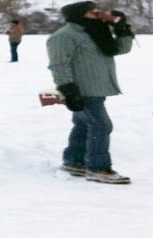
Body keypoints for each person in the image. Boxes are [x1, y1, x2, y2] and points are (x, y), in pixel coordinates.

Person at [47, 1, 134, 184]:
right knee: (101, 125)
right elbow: (58, 65)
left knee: (84, 125)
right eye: (93, 12)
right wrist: (69, 91)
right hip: (81, 90)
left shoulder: (96, 31)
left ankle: (73, 161)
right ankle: (98, 168)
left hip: (97, 87)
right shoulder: (64, 36)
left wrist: (122, 28)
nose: (99, 14)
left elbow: (121, 49)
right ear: (80, 14)